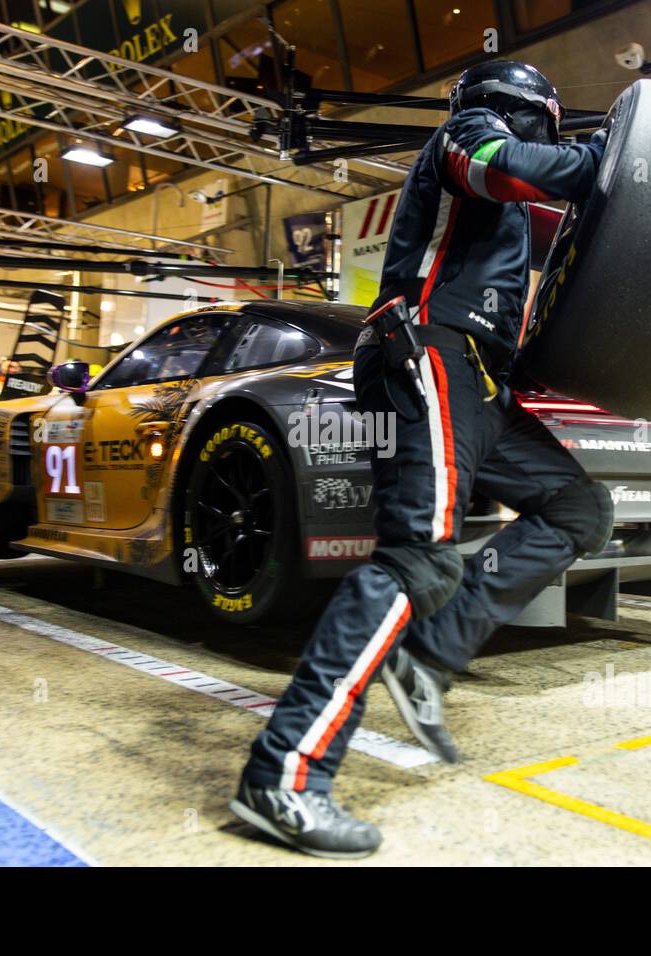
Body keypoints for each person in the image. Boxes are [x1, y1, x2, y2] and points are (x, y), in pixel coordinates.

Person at [230, 60, 611, 858]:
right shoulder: (467, 138)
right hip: (430, 350)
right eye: (552, 125)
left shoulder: (506, 208)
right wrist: (609, 159)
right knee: (416, 562)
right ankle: (285, 775)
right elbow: (506, 169)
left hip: (476, 374)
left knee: (578, 508)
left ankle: (429, 659)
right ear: (530, 111)